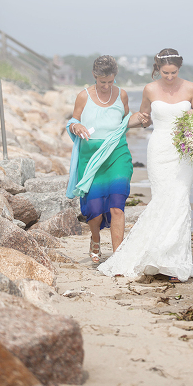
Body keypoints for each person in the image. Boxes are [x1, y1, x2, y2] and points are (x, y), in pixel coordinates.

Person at [98, 49, 193, 283]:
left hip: (183, 152)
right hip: (159, 149)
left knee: (178, 199)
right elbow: (143, 117)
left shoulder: (191, 88)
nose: (169, 76)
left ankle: (175, 262)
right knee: (163, 200)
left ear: (179, 69)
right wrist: (122, 125)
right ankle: (157, 256)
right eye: (165, 72)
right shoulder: (150, 89)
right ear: (158, 69)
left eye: (173, 72)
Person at [67, 55, 148, 263]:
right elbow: (74, 120)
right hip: (91, 157)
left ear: (115, 77)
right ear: (95, 76)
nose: (106, 86)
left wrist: (141, 119)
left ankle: (118, 256)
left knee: (117, 204)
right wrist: (76, 126)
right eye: (102, 82)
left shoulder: (121, 95)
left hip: (117, 153)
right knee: (94, 210)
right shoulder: (83, 96)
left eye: (110, 81)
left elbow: (126, 120)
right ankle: (95, 239)